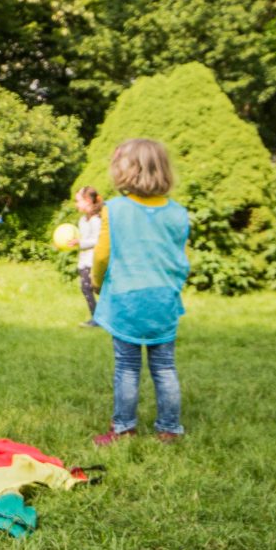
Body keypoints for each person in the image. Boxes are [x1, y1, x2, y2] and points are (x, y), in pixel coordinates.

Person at [90, 139, 189, 445]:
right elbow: (177, 258)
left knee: (128, 367)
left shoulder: (114, 210)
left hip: (127, 300)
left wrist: (96, 282)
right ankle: (170, 429)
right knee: (165, 366)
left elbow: (102, 256)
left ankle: (124, 428)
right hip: (163, 299)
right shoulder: (178, 213)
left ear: (125, 171)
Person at [73, 187, 105, 326]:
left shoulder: (96, 220)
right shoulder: (82, 220)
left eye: (78, 201)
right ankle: (99, 318)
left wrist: (80, 243)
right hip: (83, 261)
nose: (76, 204)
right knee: (86, 288)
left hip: (93, 261)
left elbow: (97, 240)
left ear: (87, 201)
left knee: (90, 288)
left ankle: (98, 319)